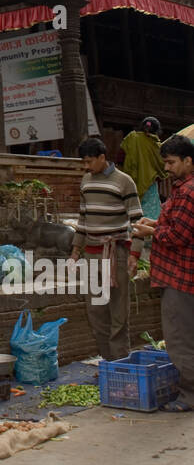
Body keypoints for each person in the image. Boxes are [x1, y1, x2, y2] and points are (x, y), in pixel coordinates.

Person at [133, 134, 194, 412]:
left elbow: (178, 235)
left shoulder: (189, 191)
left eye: (170, 162)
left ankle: (189, 396)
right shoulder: (183, 189)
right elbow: (177, 225)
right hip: (180, 275)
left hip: (180, 277)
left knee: (180, 339)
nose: (166, 168)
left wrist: (151, 231)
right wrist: (156, 222)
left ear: (188, 161)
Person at [72, 136, 143, 361]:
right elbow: (82, 219)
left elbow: (138, 222)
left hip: (117, 254)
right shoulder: (86, 181)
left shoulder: (124, 182)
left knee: (119, 313)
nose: (86, 166)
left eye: (90, 161)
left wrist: (135, 254)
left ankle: (121, 361)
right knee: (96, 312)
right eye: (84, 162)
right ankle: (107, 360)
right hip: (91, 254)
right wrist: (75, 252)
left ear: (103, 158)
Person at [122, 116, 165, 221]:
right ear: (157, 130)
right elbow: (163, 167)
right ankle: (147, 232)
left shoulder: (131, 138)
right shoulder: (157, 146)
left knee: (131, 209)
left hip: (131, 181)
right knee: (150, 213)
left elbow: (120, 157)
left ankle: (132, 231)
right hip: (149, 185)